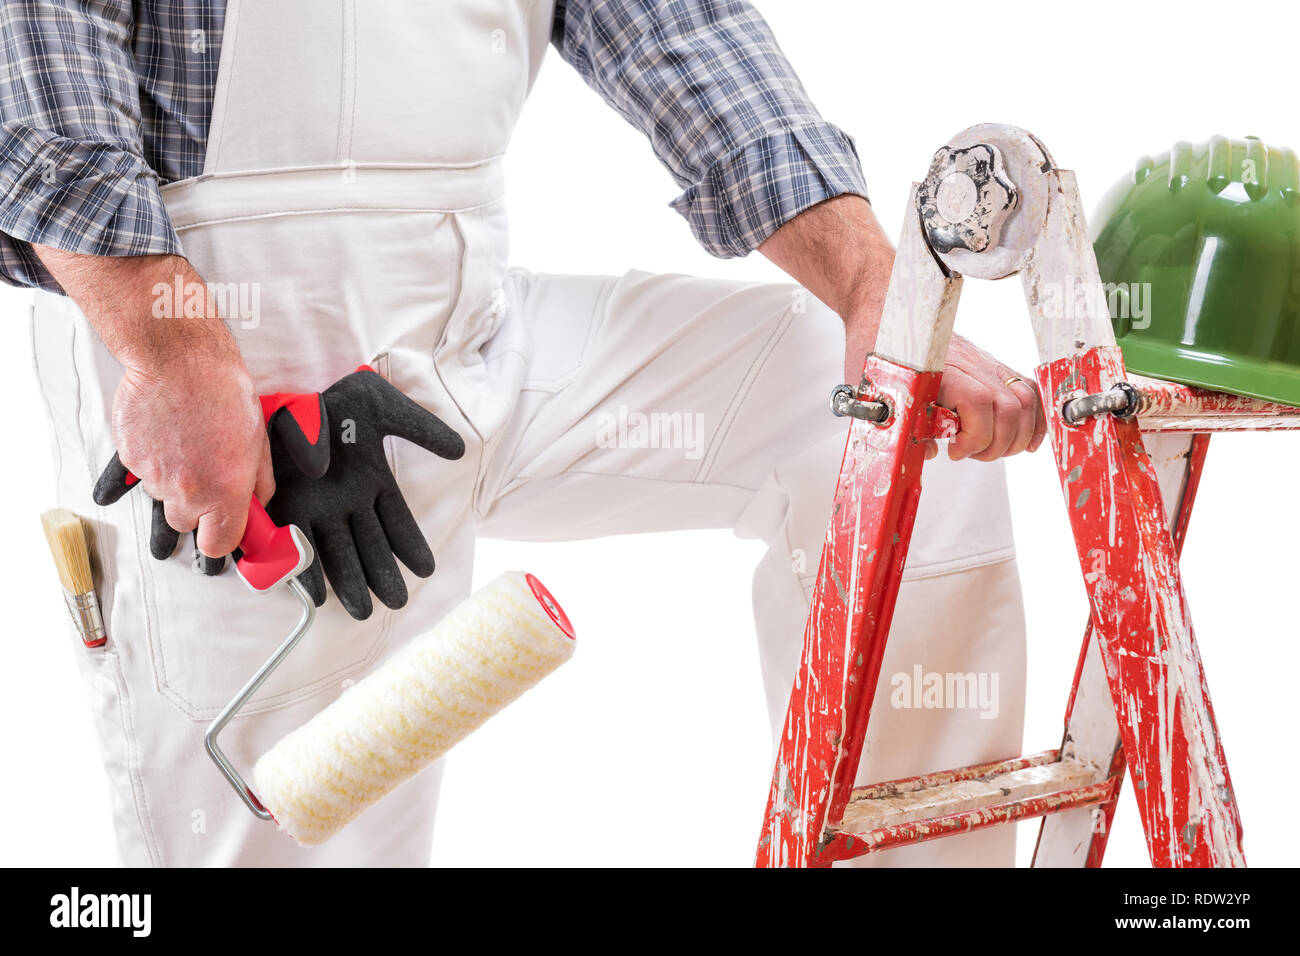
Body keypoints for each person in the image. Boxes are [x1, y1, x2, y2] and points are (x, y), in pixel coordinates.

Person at [1, 0, 1042, 866]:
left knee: (897, 426)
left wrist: (874, 290)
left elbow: (670, 24)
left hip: (468, 316)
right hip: (226, 339)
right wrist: (163, 349)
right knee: (302, 829)